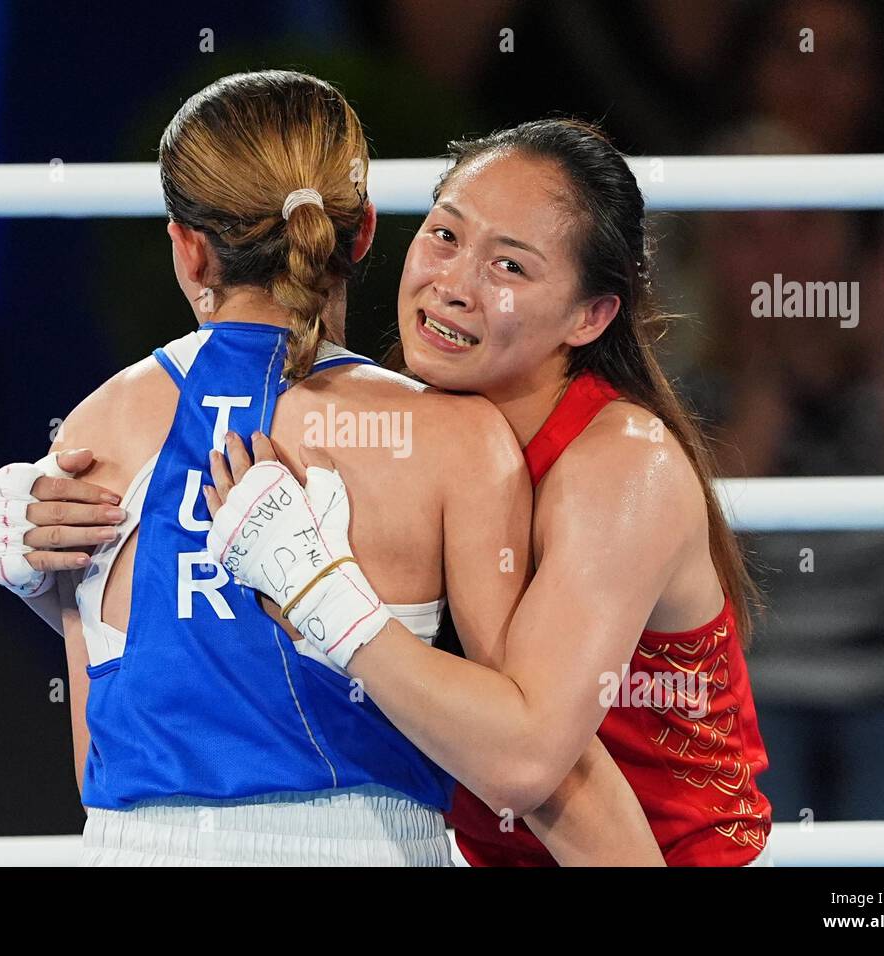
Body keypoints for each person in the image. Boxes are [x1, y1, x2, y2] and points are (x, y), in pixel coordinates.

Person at [0, 70, 660, 866]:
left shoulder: (98, 427)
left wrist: (45, 587)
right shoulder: (452, 441)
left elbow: (113, 746)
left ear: (188, 248)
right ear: (364, 230)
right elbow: (534, 761)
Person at [205, 118, 774, 866]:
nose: (453, 285)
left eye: (509, 267)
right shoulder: (401, 421)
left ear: (590, 315)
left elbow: (527, 764)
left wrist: (319, 593)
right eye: (446, 234)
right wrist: (56, 529)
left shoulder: (623, 467)